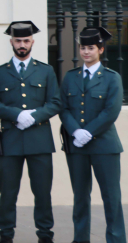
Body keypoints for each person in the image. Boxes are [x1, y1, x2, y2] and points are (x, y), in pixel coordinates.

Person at [0, 21, 61, 243]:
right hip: (10, 138)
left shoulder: (46, 71)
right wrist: (16, 115)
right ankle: (6, 234)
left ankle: (45, 234)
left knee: (42, 192)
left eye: (26, 40)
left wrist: (34, 116)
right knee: (8, 193)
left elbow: (55, 102)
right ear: (11, 42)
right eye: (18, 40)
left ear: (32, 42)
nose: (22, 44)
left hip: (39, 139)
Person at [59, 26, 125, 243]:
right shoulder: (70, 77)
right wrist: (75, 131)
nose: (86, 52)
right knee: (80, 198)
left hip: (104, 146)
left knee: (111, 198)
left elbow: (111, 111)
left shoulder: (111, 78)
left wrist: (89, 132)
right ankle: (80, 239)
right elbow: (64, 107)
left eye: (91, 48)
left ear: (101, 49)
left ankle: (116, 240)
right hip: (77, 145)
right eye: (83, 48)